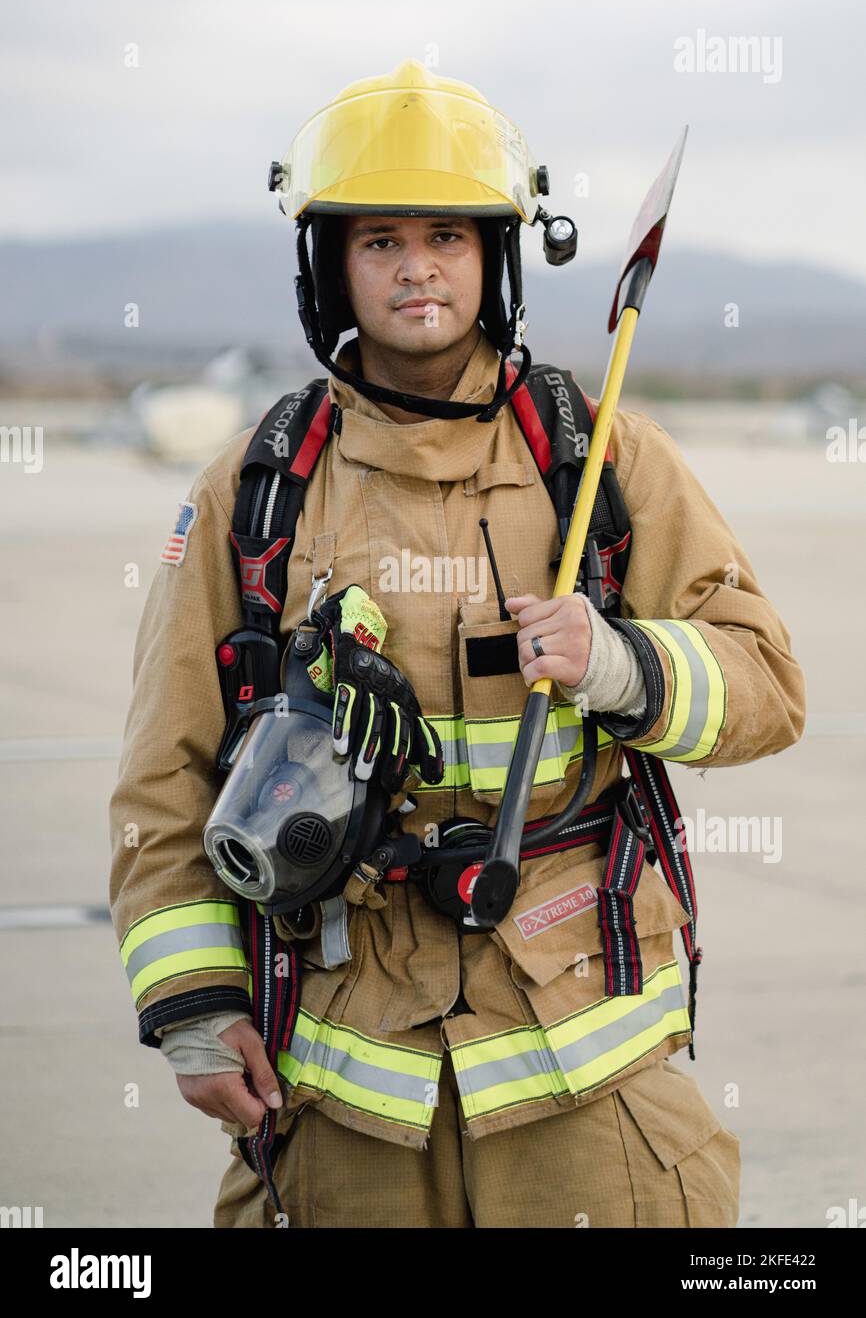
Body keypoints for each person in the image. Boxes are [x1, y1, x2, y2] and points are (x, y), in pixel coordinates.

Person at [109, 59, 805, 1229]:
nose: (416, 266)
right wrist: (191, 1009)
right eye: (378, 238)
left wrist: (621, 663)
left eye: (446, 233)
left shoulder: (600, 462)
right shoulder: (253, 492)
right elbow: (163, 777)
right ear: (329, 264)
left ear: (497, 255)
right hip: (340, 1098)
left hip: (588, 1092)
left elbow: (768, 685)